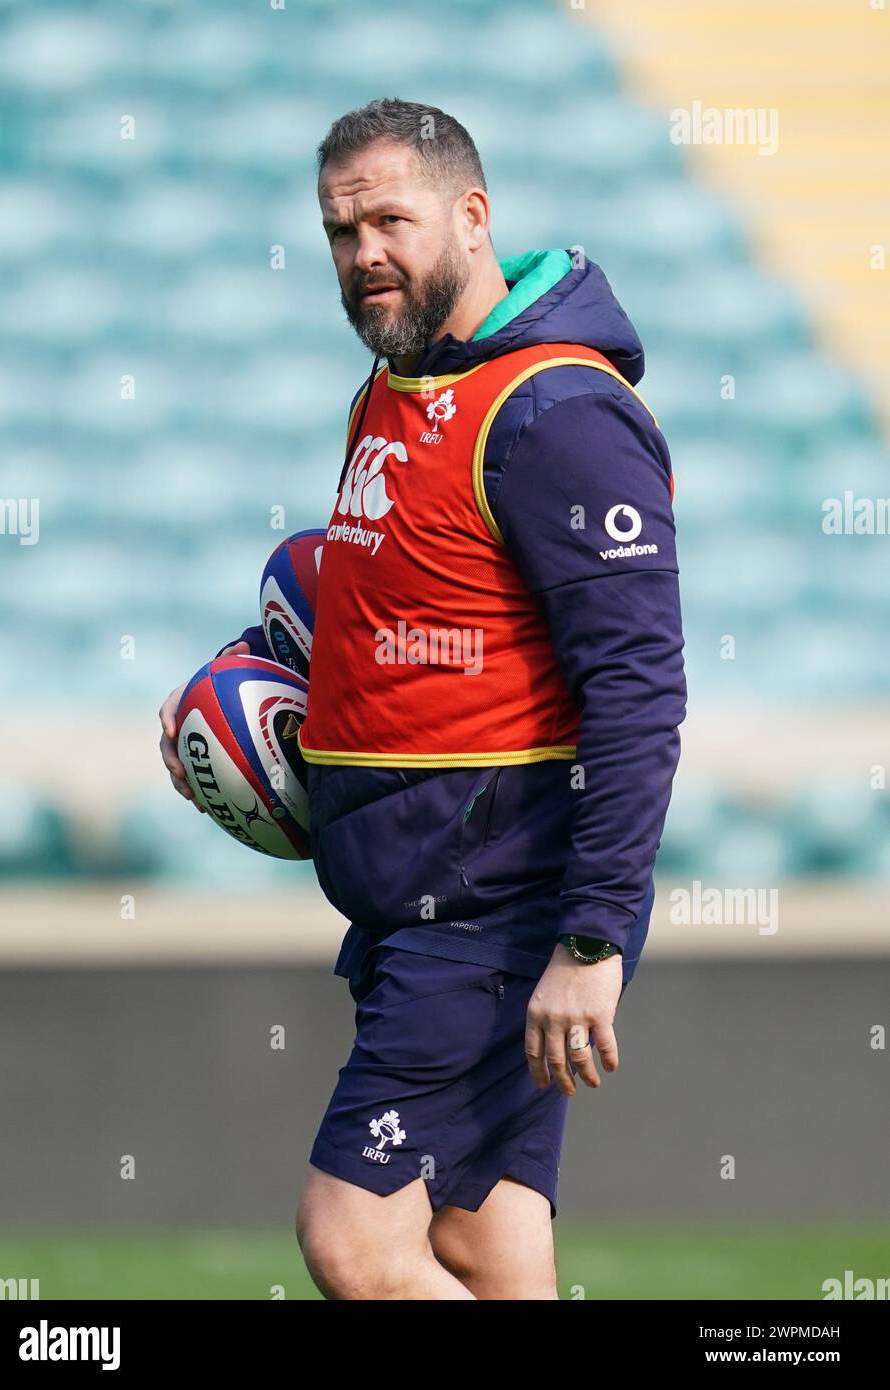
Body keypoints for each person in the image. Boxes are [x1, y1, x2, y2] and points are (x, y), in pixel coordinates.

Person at [159, 97, 687, 1300]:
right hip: (416, 912)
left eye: (389, 219)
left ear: (473, 214)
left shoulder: (560, 411)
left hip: (491, 918)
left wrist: (593, 941)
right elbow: (382, 602)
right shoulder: (395, 388)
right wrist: (231, 694)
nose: (364, 255)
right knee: (483, 1242)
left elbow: (640, 690)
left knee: (352, 1237)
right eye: (341, 231)